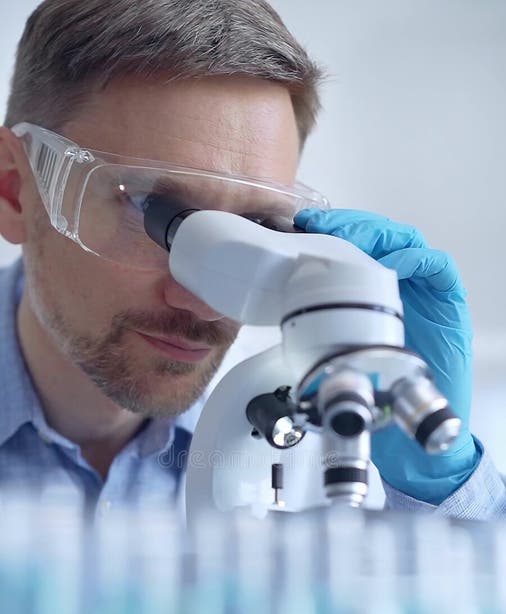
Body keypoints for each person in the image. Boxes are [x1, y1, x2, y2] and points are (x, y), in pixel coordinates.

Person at [0, 0, 503, 519]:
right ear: (14, 191)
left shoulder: (325, 434)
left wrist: (441, 488)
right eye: (154, 214)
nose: (204, 300)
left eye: (261, 228)